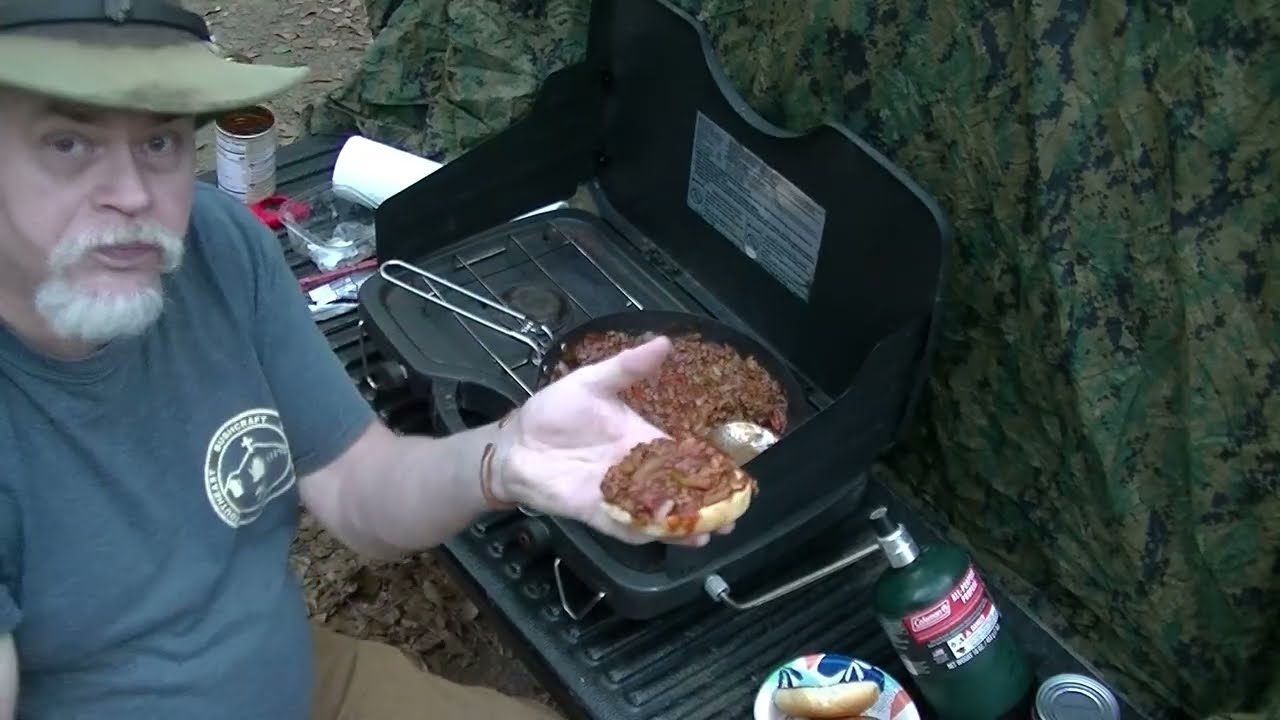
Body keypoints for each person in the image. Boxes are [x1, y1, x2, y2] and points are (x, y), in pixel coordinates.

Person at [0, 2, 729, 718]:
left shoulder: (219, 246)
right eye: (68, 143)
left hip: (296, 680)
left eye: (158, 142)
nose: (131, 194)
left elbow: (359, 489)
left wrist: (503, 458)